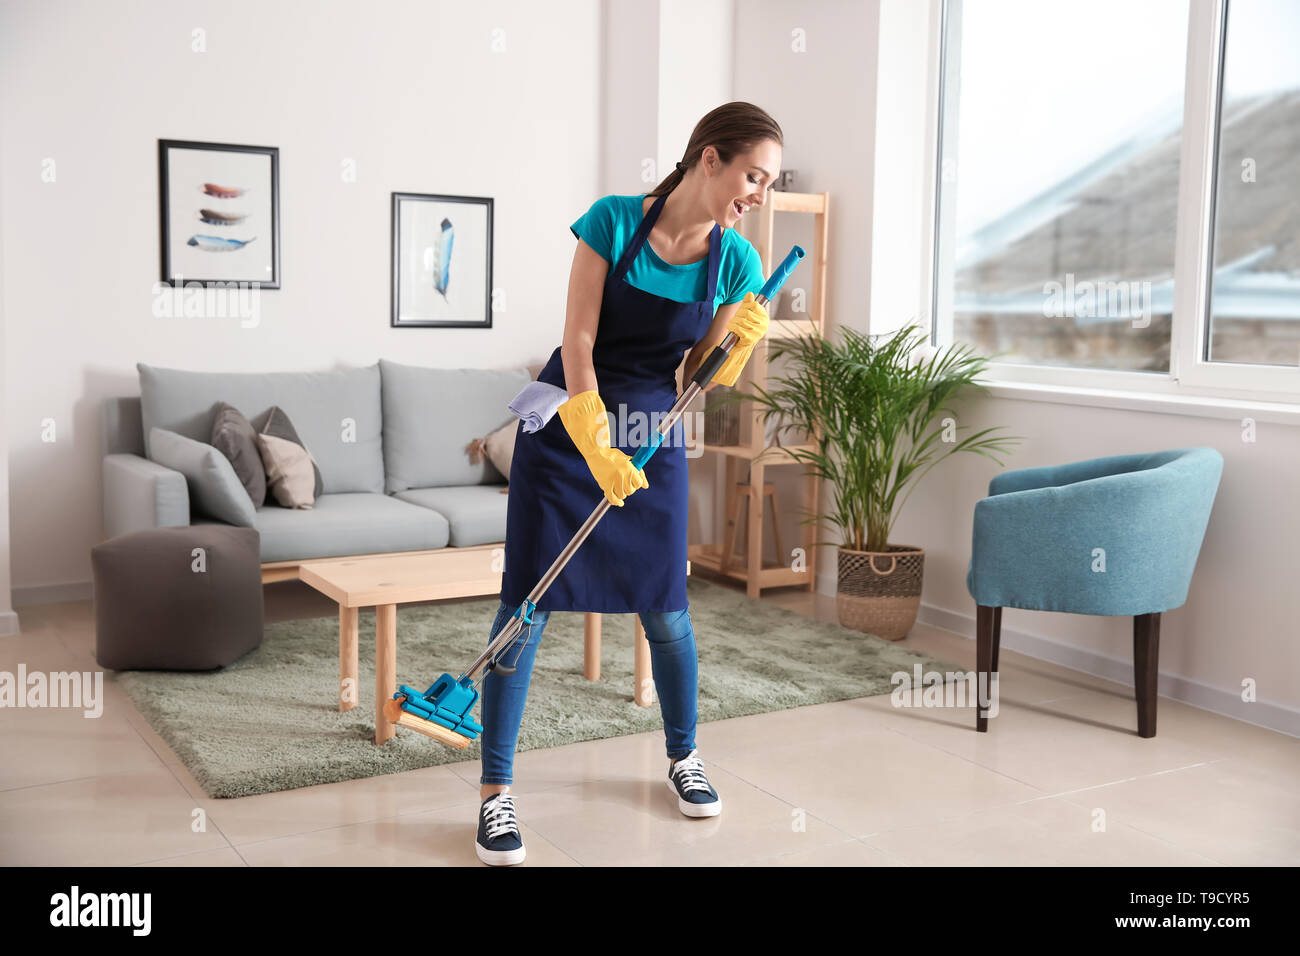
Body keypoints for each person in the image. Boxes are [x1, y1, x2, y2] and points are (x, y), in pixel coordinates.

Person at [475, 101, 783, 865]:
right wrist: (590, 434)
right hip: (569, 419)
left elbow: (695, 378)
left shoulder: (737, 261)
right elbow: (578, 338)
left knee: (666, 607)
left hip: (653, 428)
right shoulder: (612, 223)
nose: (760, 194)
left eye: (771, 183)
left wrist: (736, 347)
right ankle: (495, 795)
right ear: (709, 157)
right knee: (528, 602)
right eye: (754, 174)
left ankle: (683, 757)